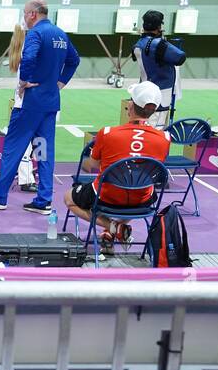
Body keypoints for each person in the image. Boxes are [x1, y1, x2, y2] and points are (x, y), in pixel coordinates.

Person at [0, 0, 79, 214]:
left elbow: (29, 58)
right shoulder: (60, 33)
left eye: (24, 13)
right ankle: (44, 200)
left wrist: (25, 81)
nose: (24, 17)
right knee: (43, 151)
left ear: (33, 14)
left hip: (29, 104)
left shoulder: (36, 34)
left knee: (13, 149)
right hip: (49, 104)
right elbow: (74, 60)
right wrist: (60, 82)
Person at [65, 82, 171, 252]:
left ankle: (114, 227)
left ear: (130, 105)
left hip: (106, 197)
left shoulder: (107, 133)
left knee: (68, 198)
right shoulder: (165, 138)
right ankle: (112, 230)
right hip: (142, 200)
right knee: (135, 188)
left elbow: (91, 165)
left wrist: (84, 161)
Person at [132, 10, 186, 126]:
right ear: (159, 26)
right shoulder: (159, 45)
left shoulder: (139, 43)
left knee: (142, 126)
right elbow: (180, 57)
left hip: (143, 91)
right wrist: (162, 40)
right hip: (160, 93)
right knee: (156, 128)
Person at [4, 23, 38, 194]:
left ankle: (31, 176)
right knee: (30, 146)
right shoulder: (29, 48)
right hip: (29, 103)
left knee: (33, 145)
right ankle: (26, 178)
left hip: (26, 102)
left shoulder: (22, 46)